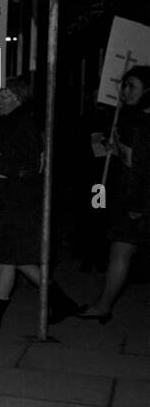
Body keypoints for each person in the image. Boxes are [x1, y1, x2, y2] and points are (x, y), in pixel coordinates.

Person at [0, 76, 85, 332]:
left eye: (8, 95)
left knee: (9, 257)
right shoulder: (5, 122)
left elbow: (29, 168)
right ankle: (60, 301)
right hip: (7, 198)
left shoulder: (23, 124)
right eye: (0, 93)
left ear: (20, 99)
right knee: (13, 258)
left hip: (18, 201)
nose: (0, 98)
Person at [78, 66, 150, 322]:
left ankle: (103, 306)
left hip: (137, 197)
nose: (125, 91)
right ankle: (103, 304)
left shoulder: (142, 120)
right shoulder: (136, 117)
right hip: (133, 194)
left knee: (120, 252)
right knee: (121, 251)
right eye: (124, 85)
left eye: (132, 86)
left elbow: (134, 158)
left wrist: (117, 144)